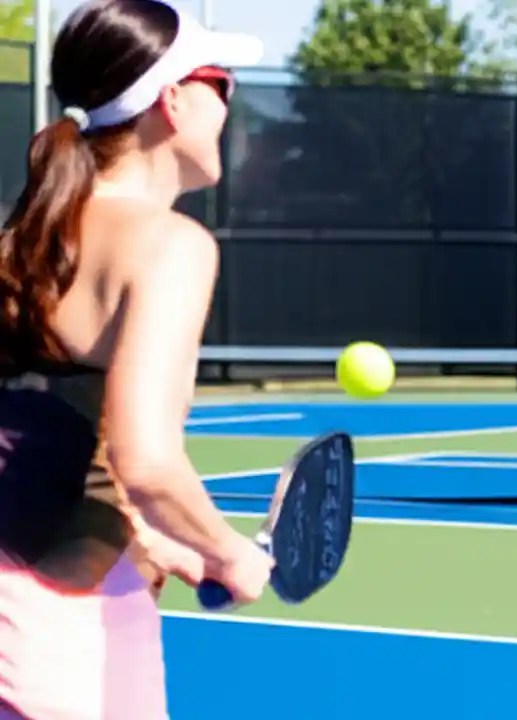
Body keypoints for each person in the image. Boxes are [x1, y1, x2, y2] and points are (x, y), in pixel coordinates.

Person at [0, 1, 275, 717]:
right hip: (61, 632)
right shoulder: (171, 246)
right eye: (222, 82)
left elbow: (47, 428)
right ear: (173, 98)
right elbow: (144, 461)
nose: (228, 103)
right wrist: (227, 551)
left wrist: (153, 541)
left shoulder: (18, 243)